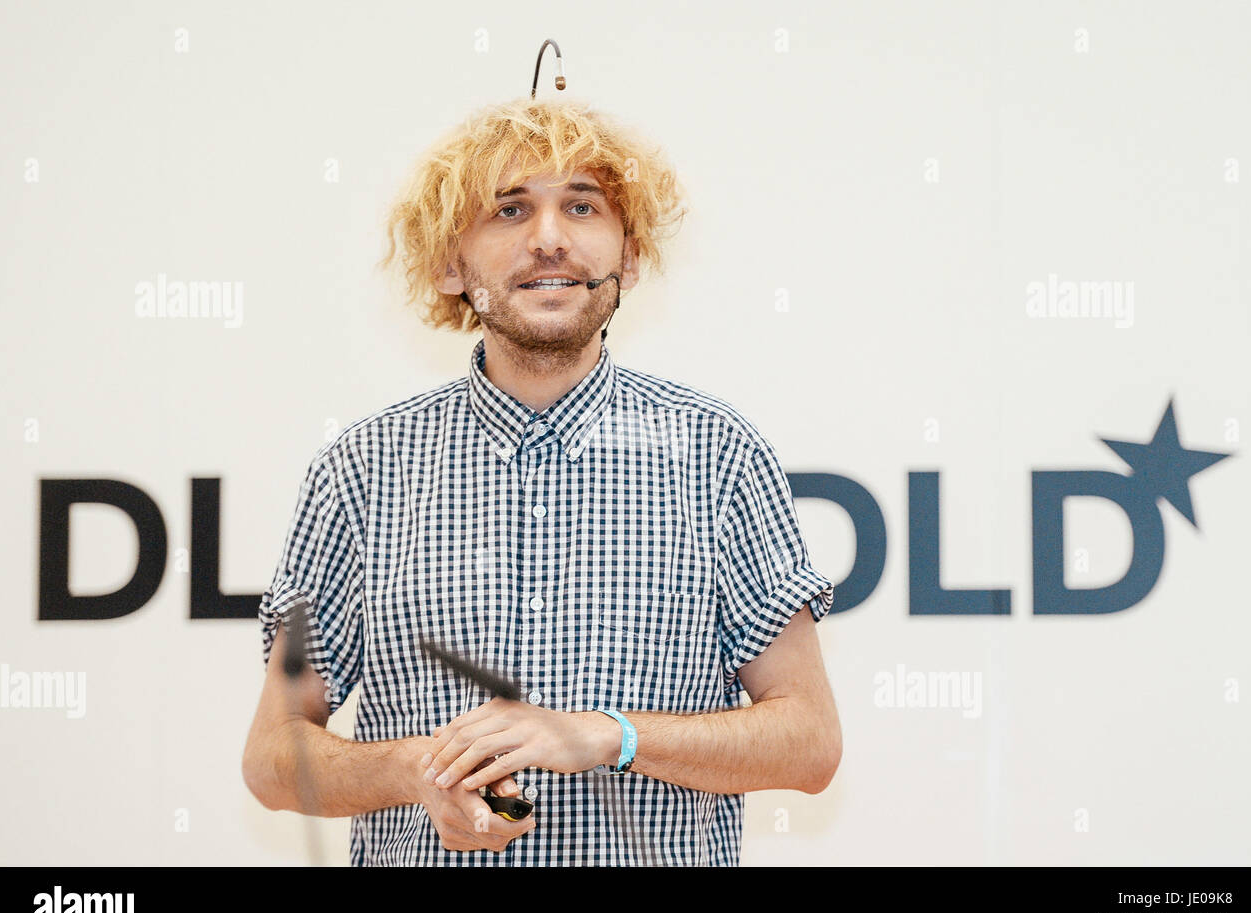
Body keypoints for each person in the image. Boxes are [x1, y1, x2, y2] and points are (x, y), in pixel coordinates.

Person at [242, 96, 841, 866]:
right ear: (451, 264)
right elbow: (271, 756)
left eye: (582, 206)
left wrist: (608, 735)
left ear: (627, 257)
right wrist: (416, 770)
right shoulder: (359, 472)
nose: (549, 239)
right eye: (509, 209)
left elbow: (809, 743)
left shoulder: (718, 454)